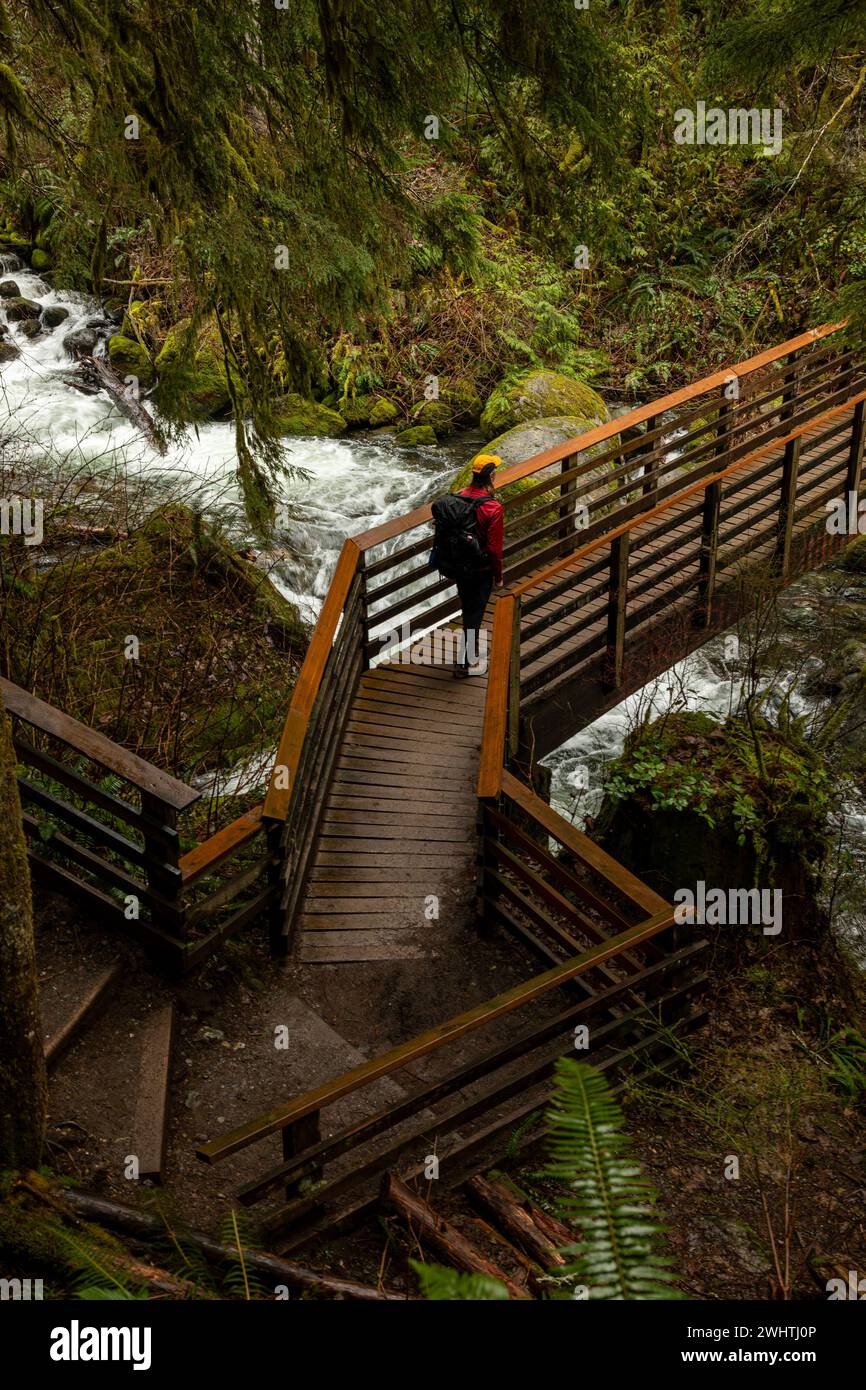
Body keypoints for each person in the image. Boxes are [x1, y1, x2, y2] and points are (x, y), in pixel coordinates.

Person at [452, 453, 504, 678]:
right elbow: (493, 549)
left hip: (458, 565)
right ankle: (465, 663)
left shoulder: (458, 497)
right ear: (491, 475)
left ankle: (469, 653)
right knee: (475, 613)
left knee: (468, 609)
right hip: (480, 569)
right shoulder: (493, 508)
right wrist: (498, 575)